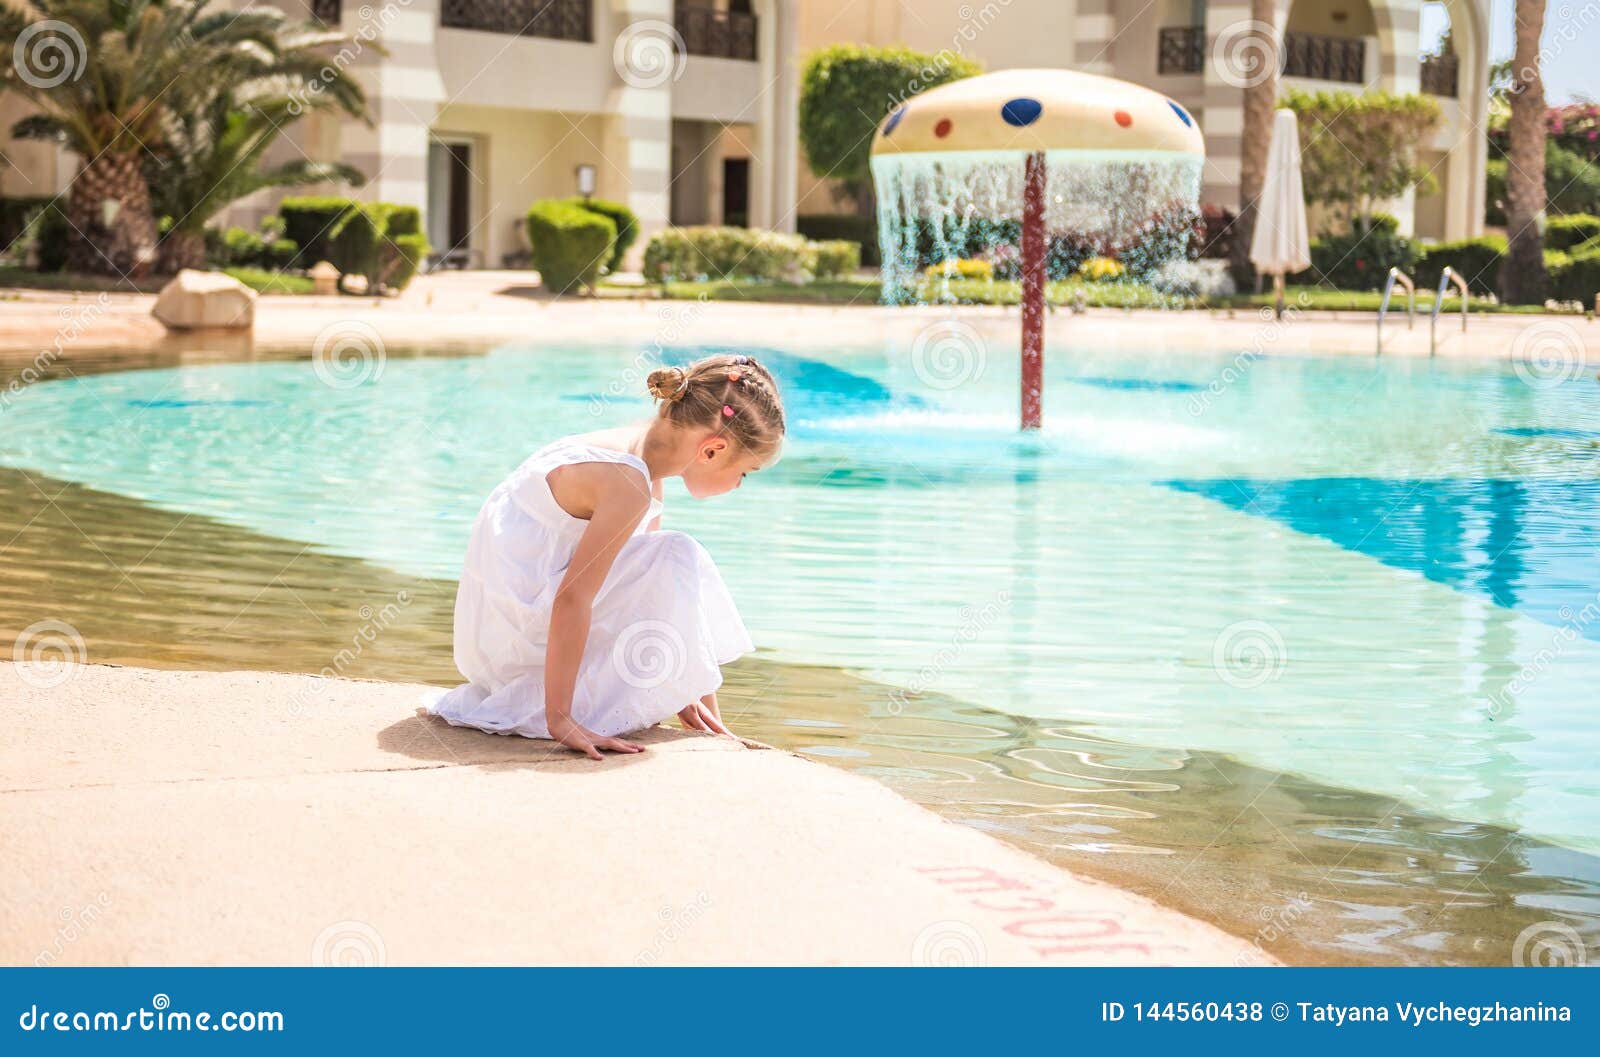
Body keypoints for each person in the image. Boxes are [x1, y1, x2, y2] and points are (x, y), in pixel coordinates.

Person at [427, 353, 785, 760]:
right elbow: (573, 598)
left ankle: (706, 719)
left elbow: (657, 601)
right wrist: (560, 719)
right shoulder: (627, 482)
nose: (739, 485)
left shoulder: (638, 454)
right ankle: (559, 706)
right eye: (746, 472)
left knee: (668, 554)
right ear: (712, 450)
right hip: (518, 640)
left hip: (497, 631)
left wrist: (682, 680)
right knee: (679, 552)